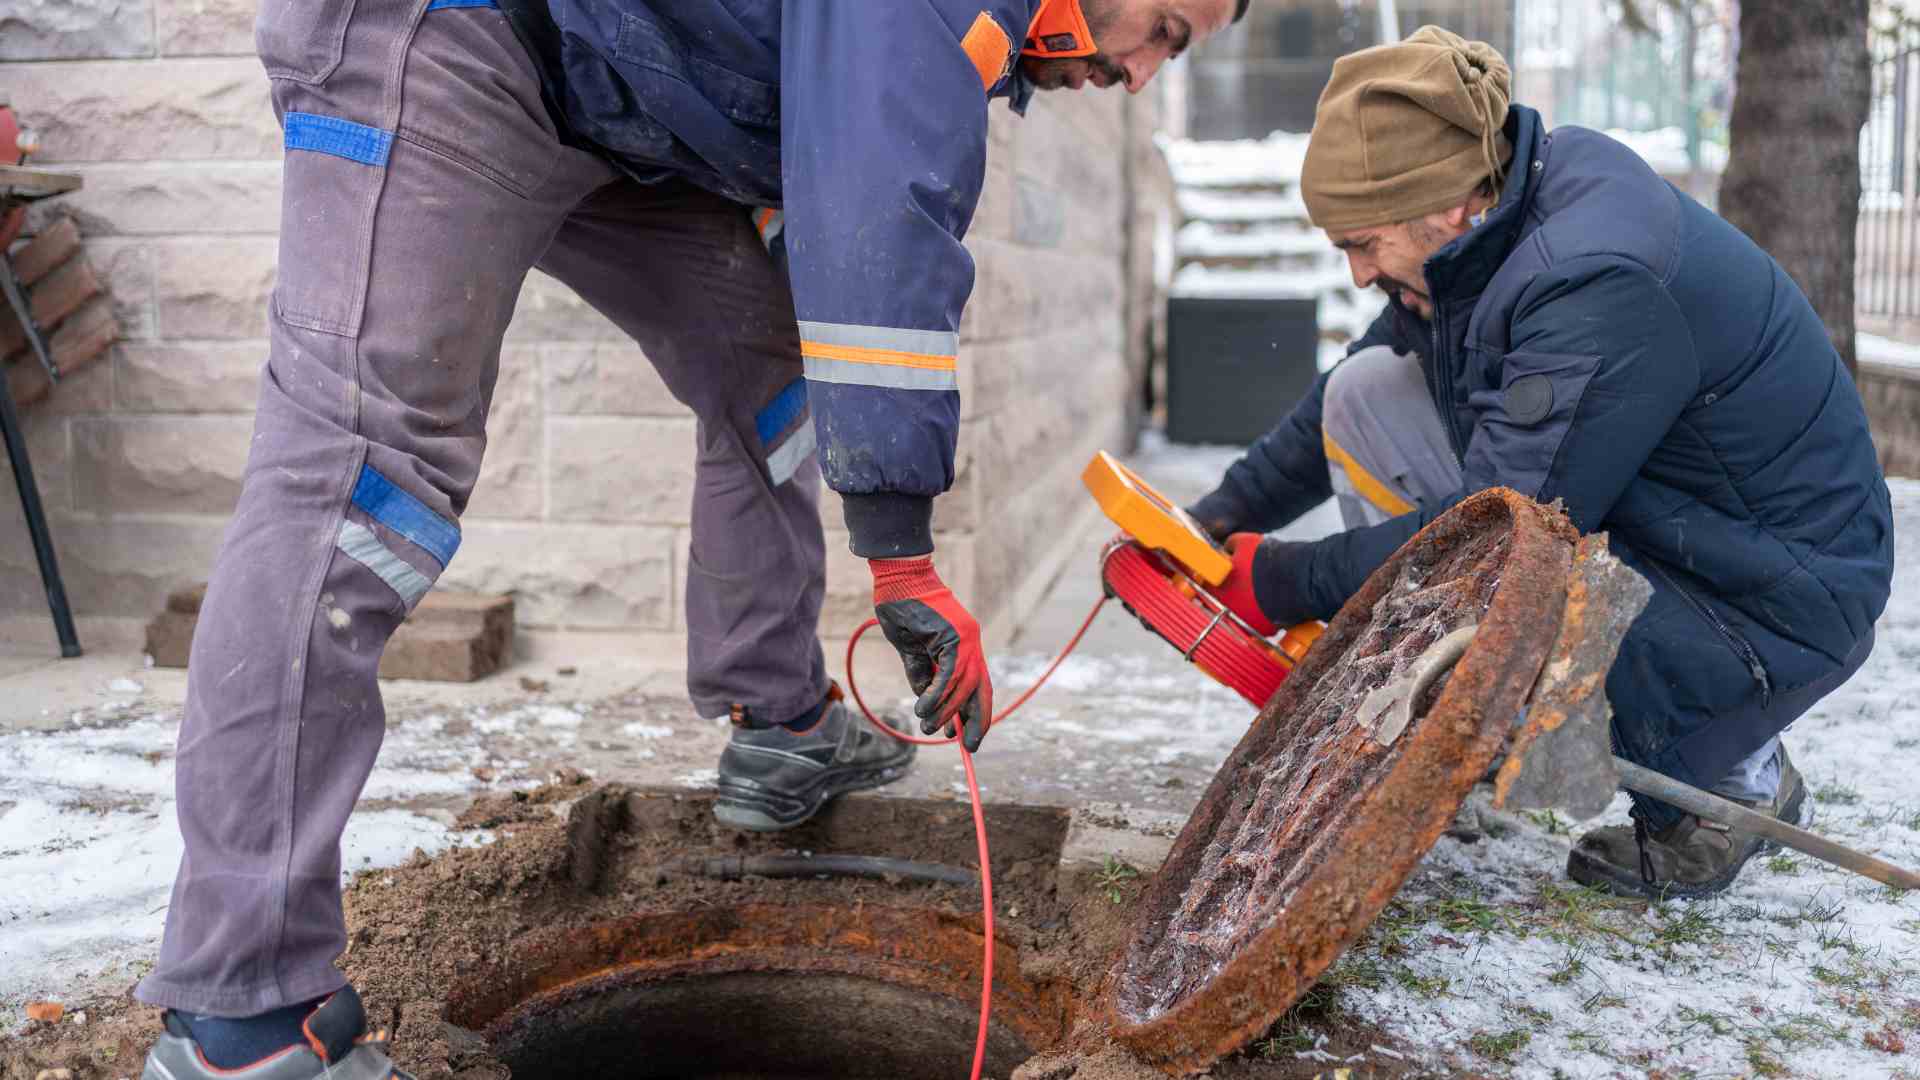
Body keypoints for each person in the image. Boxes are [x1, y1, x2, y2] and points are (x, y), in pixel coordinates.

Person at [133, 0, 1248, 1076]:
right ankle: (246, 1012)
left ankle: (778, 719)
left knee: (770, 363)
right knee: (366, 479)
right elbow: (880, 214)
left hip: (611, 102)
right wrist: (901, 563)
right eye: (1164, 30)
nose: (1144, 71)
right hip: (447, 35)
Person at [1190, 28, 1893, 904]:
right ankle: (1442, 707)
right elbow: (1373, 377)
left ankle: (1727, 785)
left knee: (1523, 622)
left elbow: (1498, 530)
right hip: (1668, 515)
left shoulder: (1590, 278)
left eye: (1363, 242)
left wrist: (1282, 580)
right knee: (1369, 390)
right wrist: (1218, 516)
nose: (1357, 270)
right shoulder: (1491, 225)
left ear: (1444, 204)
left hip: (1765, 594)